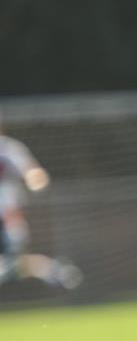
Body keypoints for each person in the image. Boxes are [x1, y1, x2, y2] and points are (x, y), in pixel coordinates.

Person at [0, 114, 82, 291]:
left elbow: (31, 171)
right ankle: (54, 271)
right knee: (13, 266)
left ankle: (54, 271)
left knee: (14, 262)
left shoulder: (8, 149)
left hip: (8, 216)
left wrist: (35, 179)